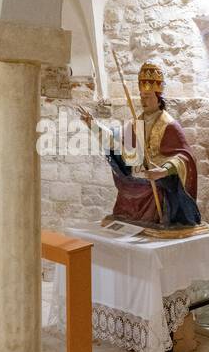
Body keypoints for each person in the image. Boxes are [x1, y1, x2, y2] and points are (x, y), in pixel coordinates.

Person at [77, 61, 201, 228]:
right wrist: (93, 125)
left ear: (158, 99)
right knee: (128, 185)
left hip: (161, 179)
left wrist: (162, 171)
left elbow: (184, 157)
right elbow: (117, 144)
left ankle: (156, 220)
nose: (143, 100)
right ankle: (128, 219)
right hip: (139, 175)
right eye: (141, 96)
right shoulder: (135, 123)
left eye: (148, 97)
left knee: (151, 187)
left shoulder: (169, 125)